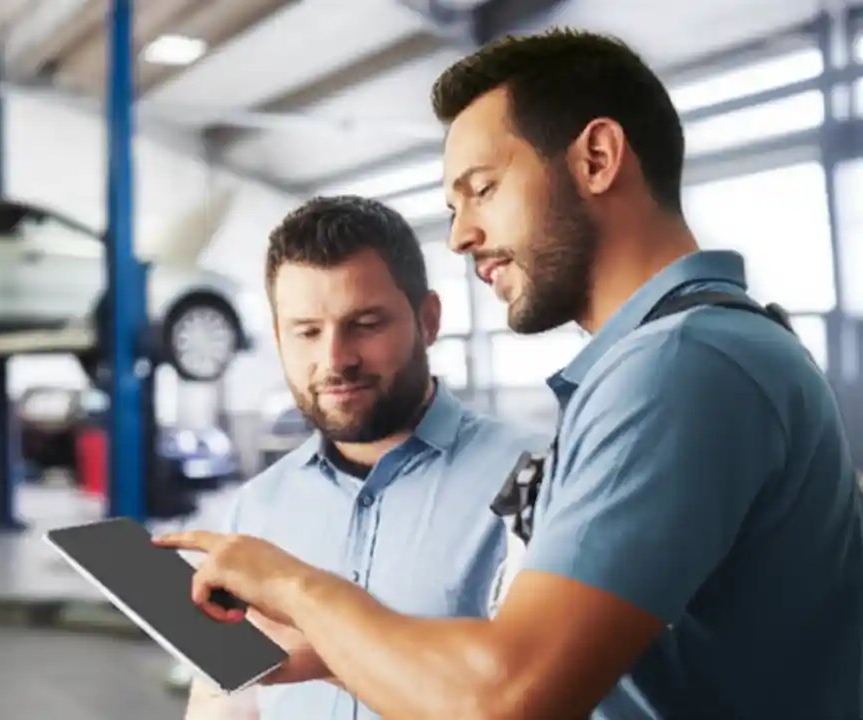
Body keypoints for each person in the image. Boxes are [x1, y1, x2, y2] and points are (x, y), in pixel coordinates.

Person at [158, 28, 863, 720]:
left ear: (596, 158)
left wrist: (291, 583)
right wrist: (329, 650)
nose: (462, 235)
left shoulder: (679, 368)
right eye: (453, 205)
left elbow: (507, 699)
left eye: (483, 188)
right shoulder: (690, 353)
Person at [181, 196, 545, 720]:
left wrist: (327, 650)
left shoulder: (532, 476)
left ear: (428, 321)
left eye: (365, 324)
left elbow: (531, 696)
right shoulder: (256, 509)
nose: (335, 360)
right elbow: (227, 699)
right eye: (307, 331)